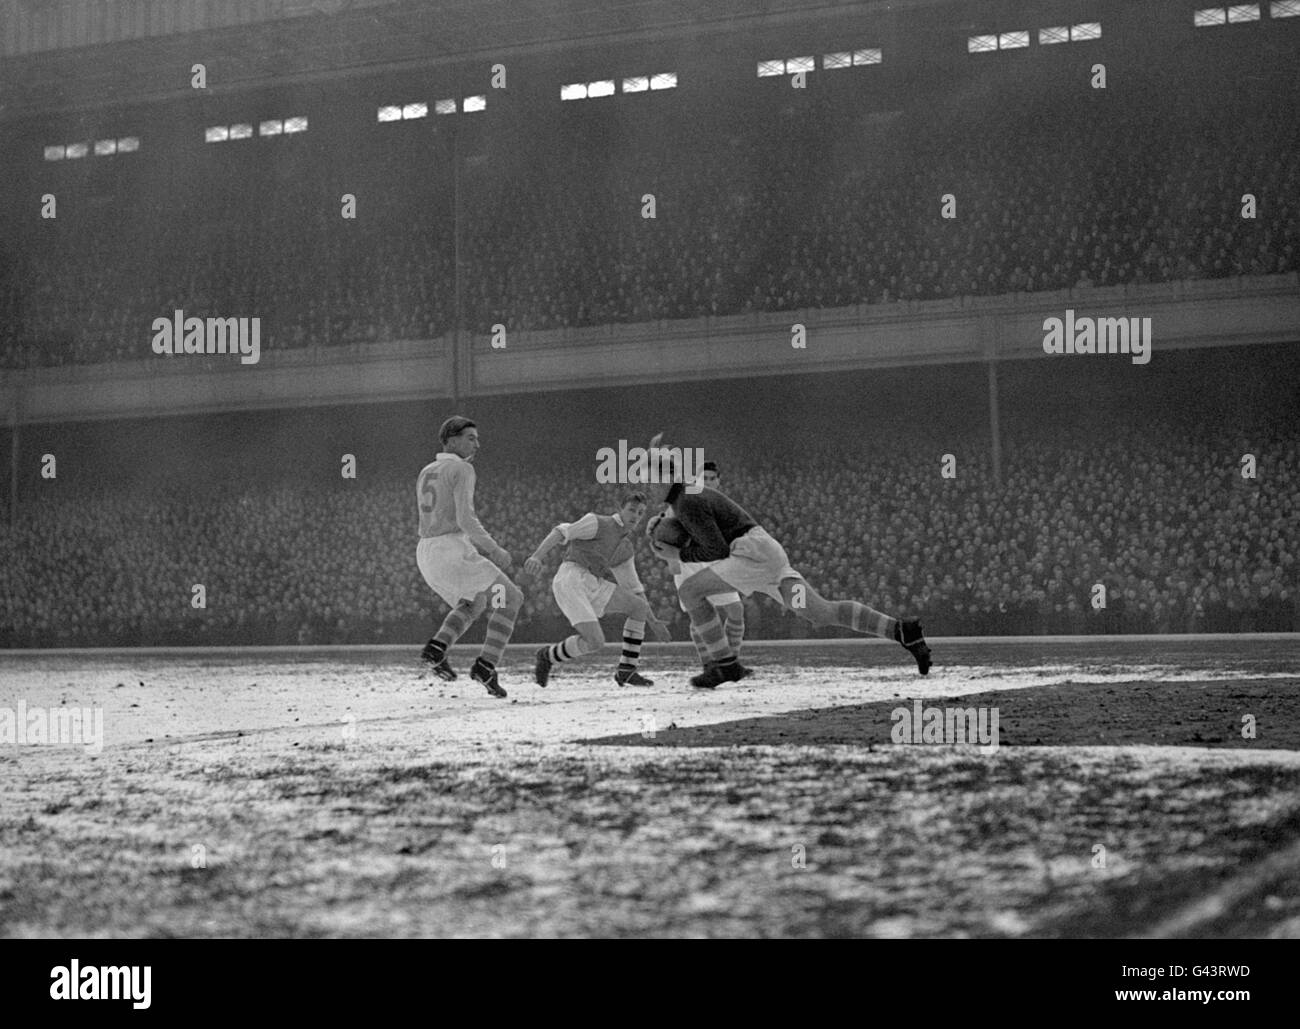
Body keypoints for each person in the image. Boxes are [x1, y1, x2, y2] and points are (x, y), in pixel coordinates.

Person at [645, 450, 931, 688]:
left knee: (690, 591)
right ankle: (902, 630)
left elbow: (715, 550)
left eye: (652, 480)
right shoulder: (687, 497)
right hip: (764, 553)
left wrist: (678, 552)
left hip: (749, 555)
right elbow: (704, 534)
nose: (649, 486)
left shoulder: (687, 502)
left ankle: (725, 666)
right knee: (820, 612)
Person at [415, 416, 523, 698]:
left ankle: (437, 648)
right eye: (470, 438)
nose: (477, 443)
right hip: (451, 549)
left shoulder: (427, 469)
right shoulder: (462, 468)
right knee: (511, 599)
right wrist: (493, 548)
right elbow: (466, 518)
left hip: (427, 553)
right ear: (451, 440)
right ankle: (486, 666)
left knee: (474, 603)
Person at [525, 490, 670, 687]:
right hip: (571, 579)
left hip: (593, 583)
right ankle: (547, 656)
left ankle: (627, 670)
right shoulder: (597, 522)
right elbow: (561, 531)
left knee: (638, 607)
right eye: (632, 510)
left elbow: (634, 588)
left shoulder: (625, 548)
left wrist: (653, 622)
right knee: (595, 642)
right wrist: (537, 556)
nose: (635, 516)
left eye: (640, 512)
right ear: (620, 509)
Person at [674, 460, 745, 673]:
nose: (707, 482)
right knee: (700, 614)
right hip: (691, 561)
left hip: (716, 560)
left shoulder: (725, 504)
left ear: (718, 481)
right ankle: (709, 665)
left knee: (736, 610)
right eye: (703, 478)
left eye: (711, 478)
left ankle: (730, 662)